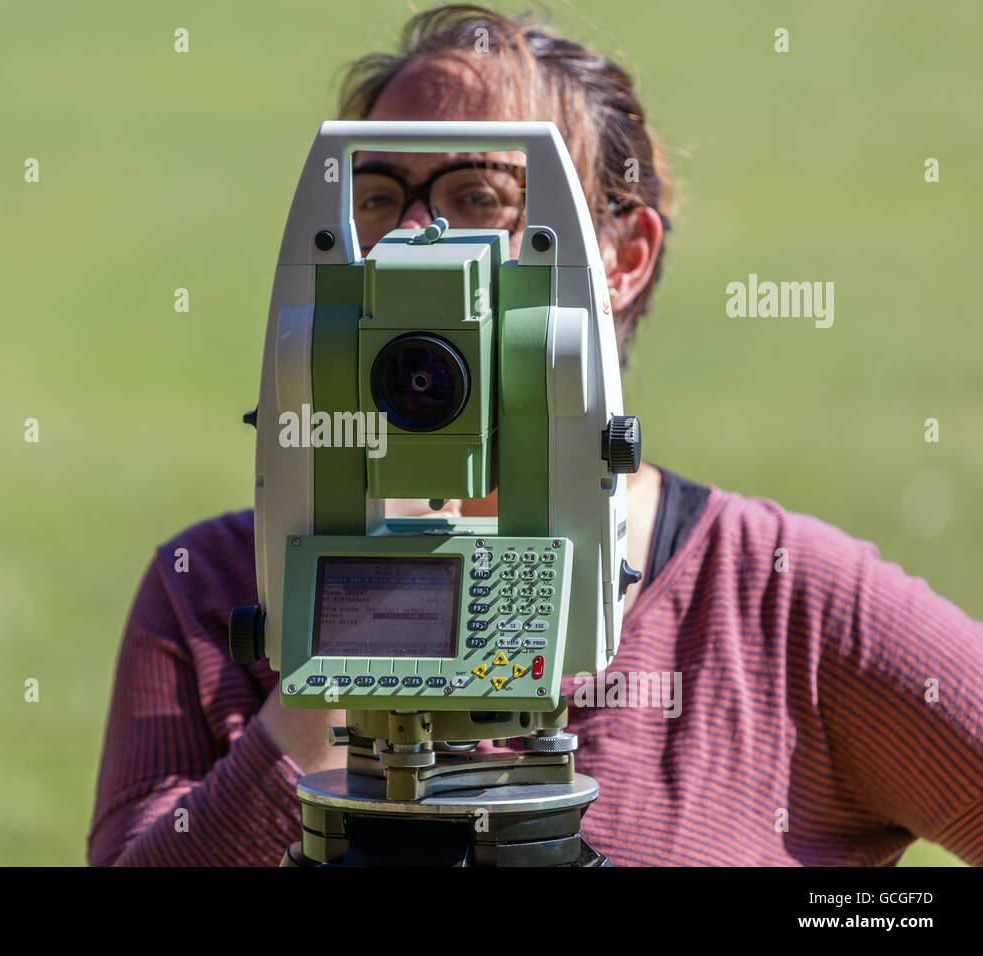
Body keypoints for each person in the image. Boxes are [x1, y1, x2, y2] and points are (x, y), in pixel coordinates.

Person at [88, 5, 983, 866]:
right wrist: (326, 672)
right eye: (378, 200)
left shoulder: (785, 605)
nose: (414, 239)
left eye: (477, 197)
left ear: (621, 259)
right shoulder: (207, 595)